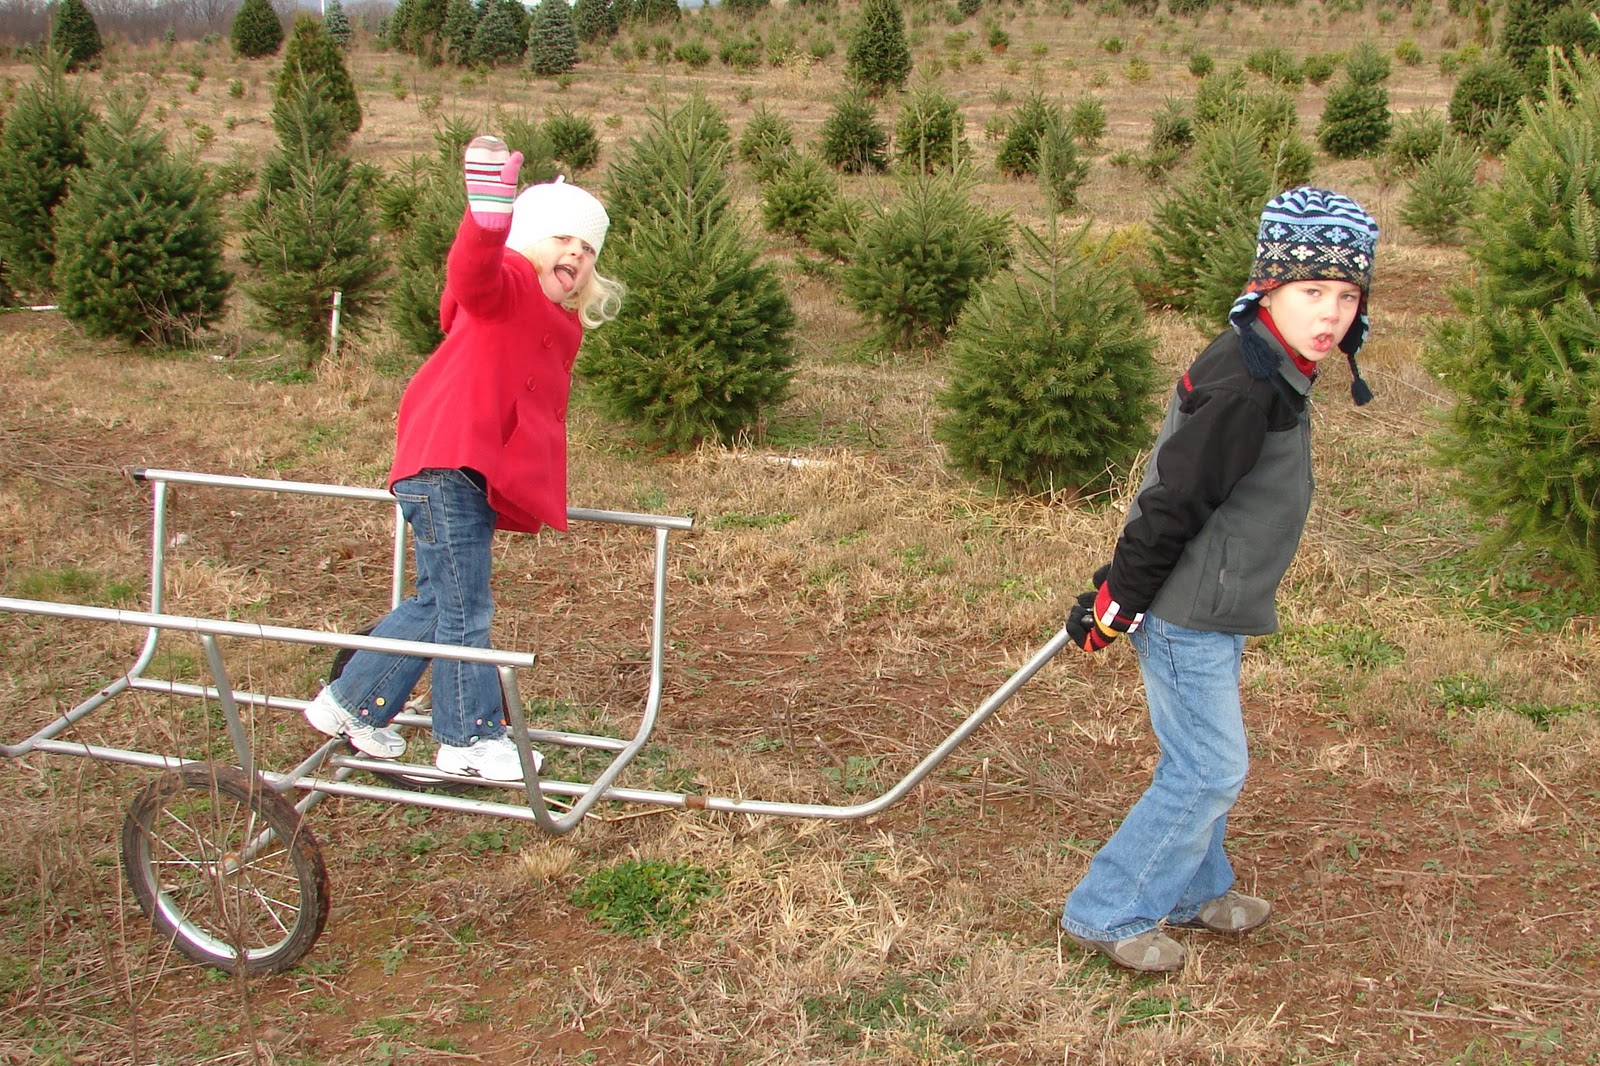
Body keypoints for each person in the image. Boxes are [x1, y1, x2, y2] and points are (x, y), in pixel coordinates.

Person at [1058, 187, 1379, 972]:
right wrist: (1120, 597)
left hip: (1217, 600)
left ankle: (1196, 889)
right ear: (1270, 286)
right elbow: (1174, 497)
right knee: (1209, 765)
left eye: (1346, 294)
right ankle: (1108, 910)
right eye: (1312, 292)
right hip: (1185, 611)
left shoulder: (1272, 360)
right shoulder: (1246, 383)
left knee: (1204, 754)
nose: (1330, 313)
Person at [302, 136, 624, 783]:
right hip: (446, 461)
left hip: (466, 472)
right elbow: (471, 274)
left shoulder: (558, 323)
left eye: (587, 249)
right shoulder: (504, 285)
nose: (576, 255)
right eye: (562, 239)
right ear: (526, 241)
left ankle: (350, 705)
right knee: (464, 611)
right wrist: (486, 221)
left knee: (438, 602)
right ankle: (467, 738)